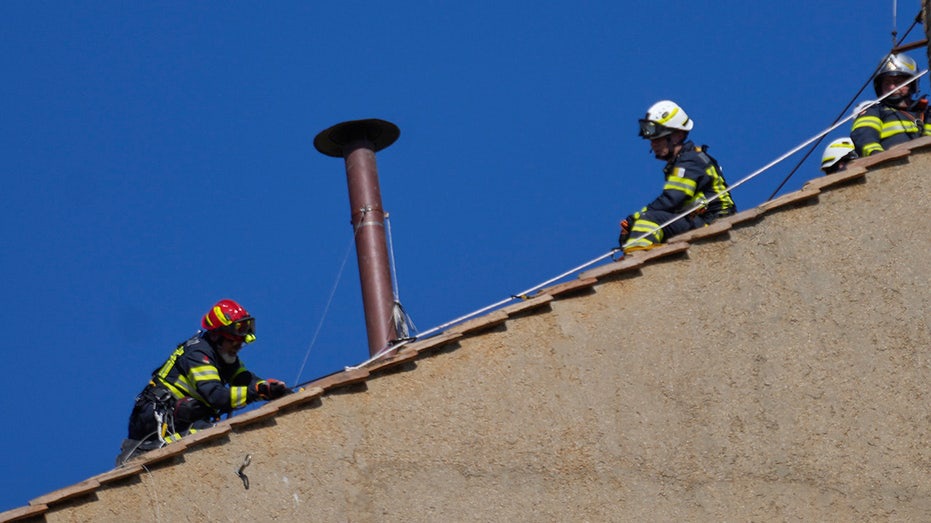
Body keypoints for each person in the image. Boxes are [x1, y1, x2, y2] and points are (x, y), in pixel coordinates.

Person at [117, 299, 291, 465]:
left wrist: (273, 390)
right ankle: (140, 451)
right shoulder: (198, 354)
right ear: (216, 336)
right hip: (154, 418)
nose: (239, 345)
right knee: (207, 431)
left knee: (210, 430)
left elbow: (245, 381)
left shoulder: (225, 355)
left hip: (179, 417)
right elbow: (216, 396)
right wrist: (257, 392)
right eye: (234, 340)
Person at [618, 100, 736, 253]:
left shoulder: (691, 160)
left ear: (678, 135)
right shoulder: (681, 162)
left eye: (659, 138)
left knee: (649, 219)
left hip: (714, 225)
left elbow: (671, 199)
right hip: (699, 223)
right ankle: (638, 255)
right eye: (652, 140)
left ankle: (638, 260)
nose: (654, 144)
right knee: (644, 227)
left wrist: (635, 218)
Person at [851, 53, 931, 157]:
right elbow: (864, 137)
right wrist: (879, 158)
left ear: (912, 83)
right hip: (893, 166)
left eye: (898, 82)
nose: (892, 87)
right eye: (887, 83)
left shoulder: (926, 112)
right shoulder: (874, 111)